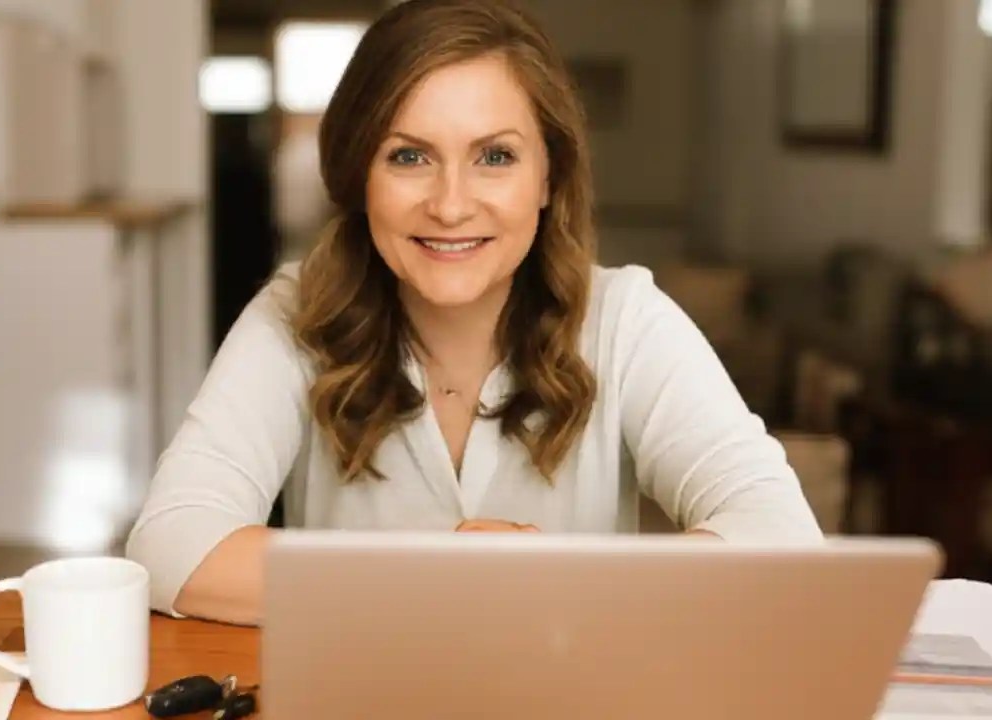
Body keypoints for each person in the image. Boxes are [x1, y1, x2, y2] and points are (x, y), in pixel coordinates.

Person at [126, 0, 822, 626]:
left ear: (548, 176)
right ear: (357, 177)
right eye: (408, 156)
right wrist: (442, 577)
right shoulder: (292, 315)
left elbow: (782, 537)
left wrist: (560, 585)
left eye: (494, 156)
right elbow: (173, 544)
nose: (452, 204)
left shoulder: (627, 319)